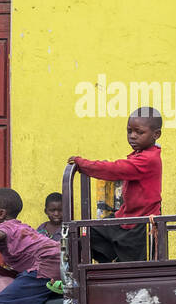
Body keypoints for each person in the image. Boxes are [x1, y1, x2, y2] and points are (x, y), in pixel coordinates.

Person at [67, 106, 163, 262]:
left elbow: (114, 170)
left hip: (140, 225)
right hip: (125, 217)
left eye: (139, 132)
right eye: (129, 131)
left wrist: (83, 164)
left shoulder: (148, 159)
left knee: (135, 273)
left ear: (156, 135)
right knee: (86, 236)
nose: (132, 136)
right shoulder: (140, 154)